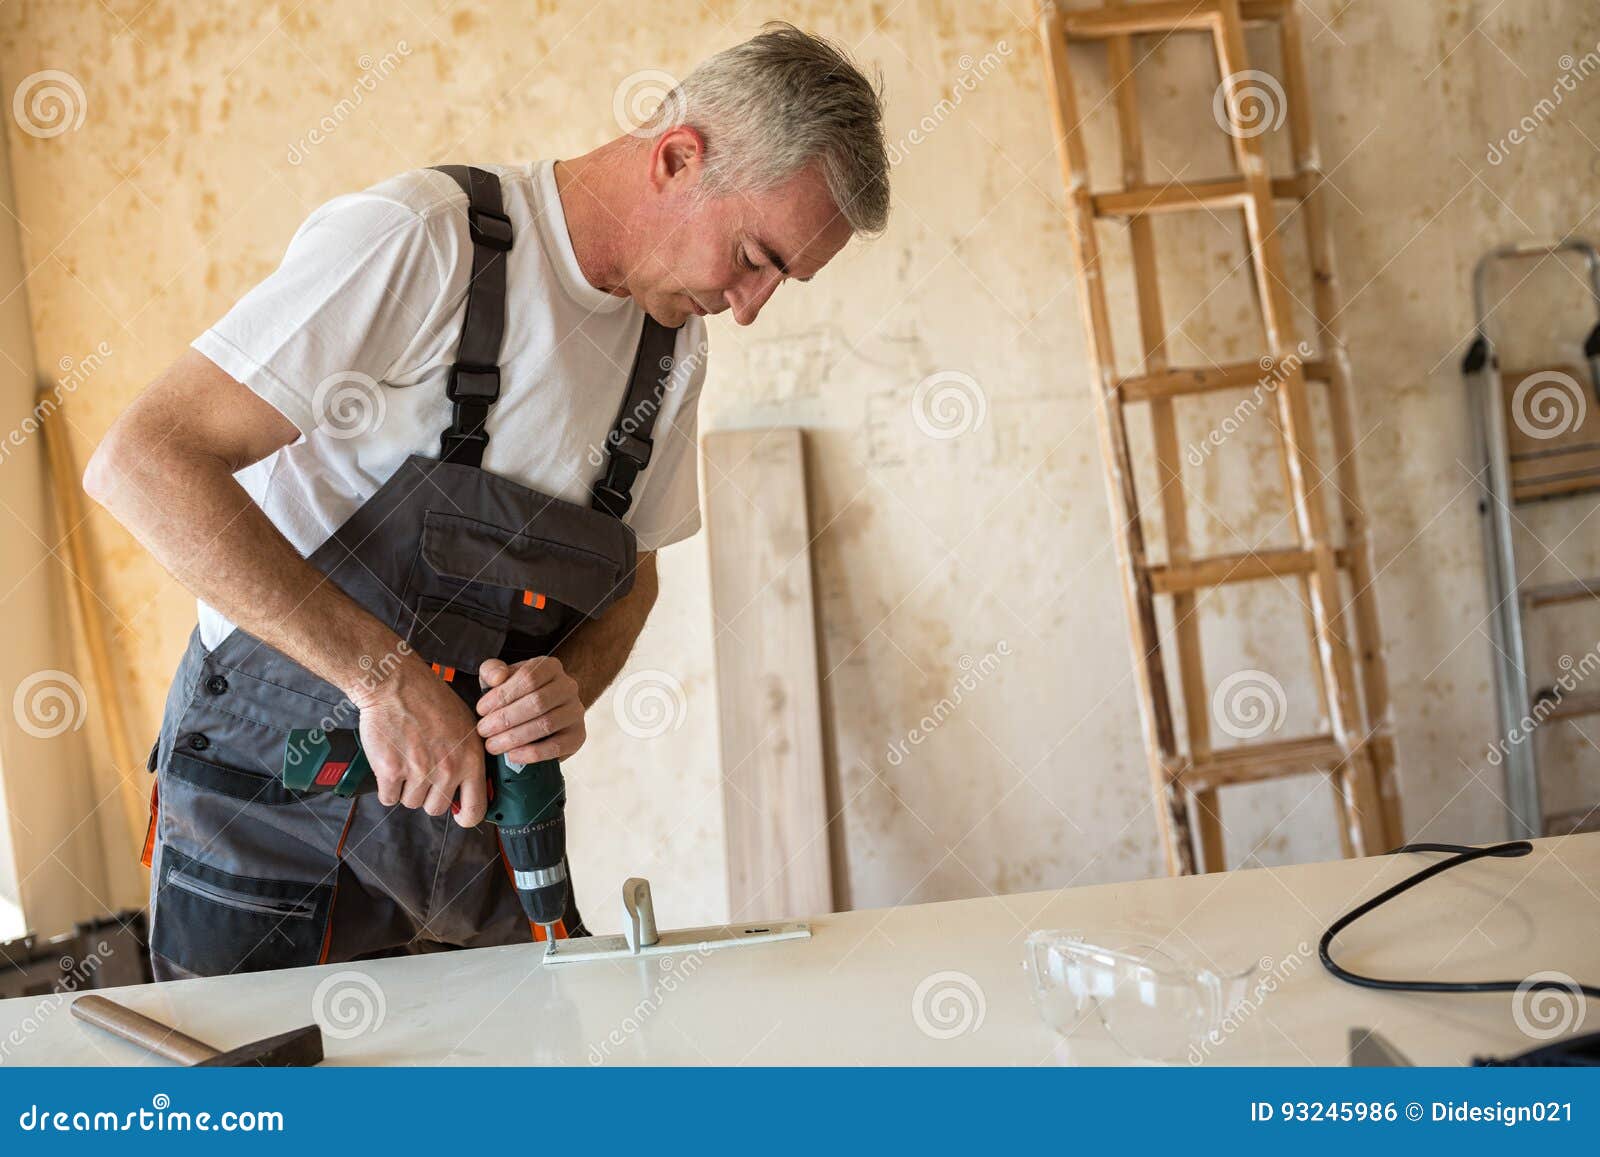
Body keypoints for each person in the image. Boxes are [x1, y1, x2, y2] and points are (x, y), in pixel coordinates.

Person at [84, 23, 890, 980]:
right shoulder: (427, 242)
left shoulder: (669, 355)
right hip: (273, 795)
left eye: (782, 281)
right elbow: (143, 461)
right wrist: (380, 677)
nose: (751, 305)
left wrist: (571, 687)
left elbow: (635, 582)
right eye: (755, 257)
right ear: (679, 158)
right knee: (266, 1115)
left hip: (461, 828)